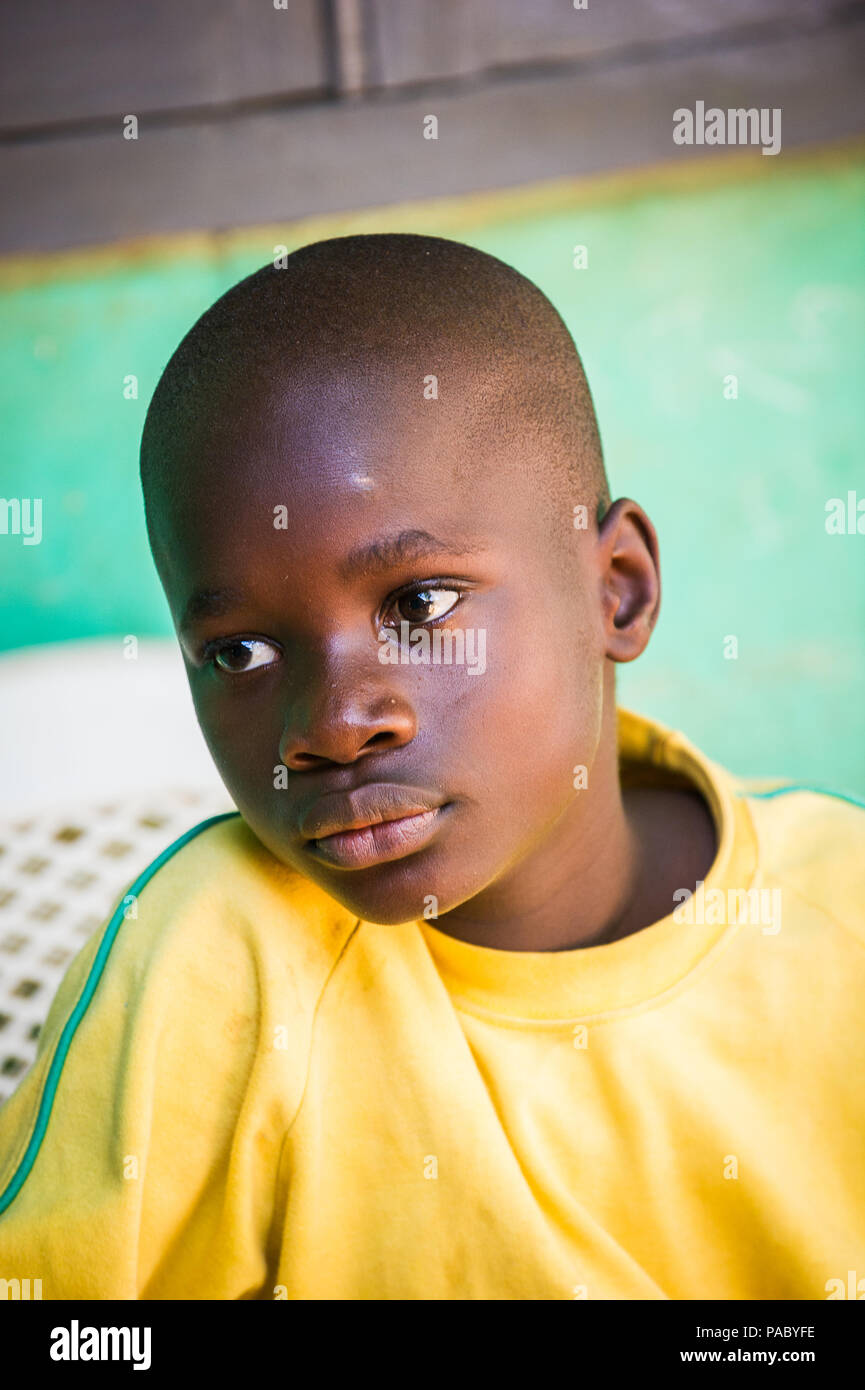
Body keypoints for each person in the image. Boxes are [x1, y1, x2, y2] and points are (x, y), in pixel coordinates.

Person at [0, 233, 862, 1300]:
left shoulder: (840, 913)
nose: (332, 722)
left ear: (618, 591)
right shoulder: (217, 963)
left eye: (419, 605)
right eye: (240, 653)